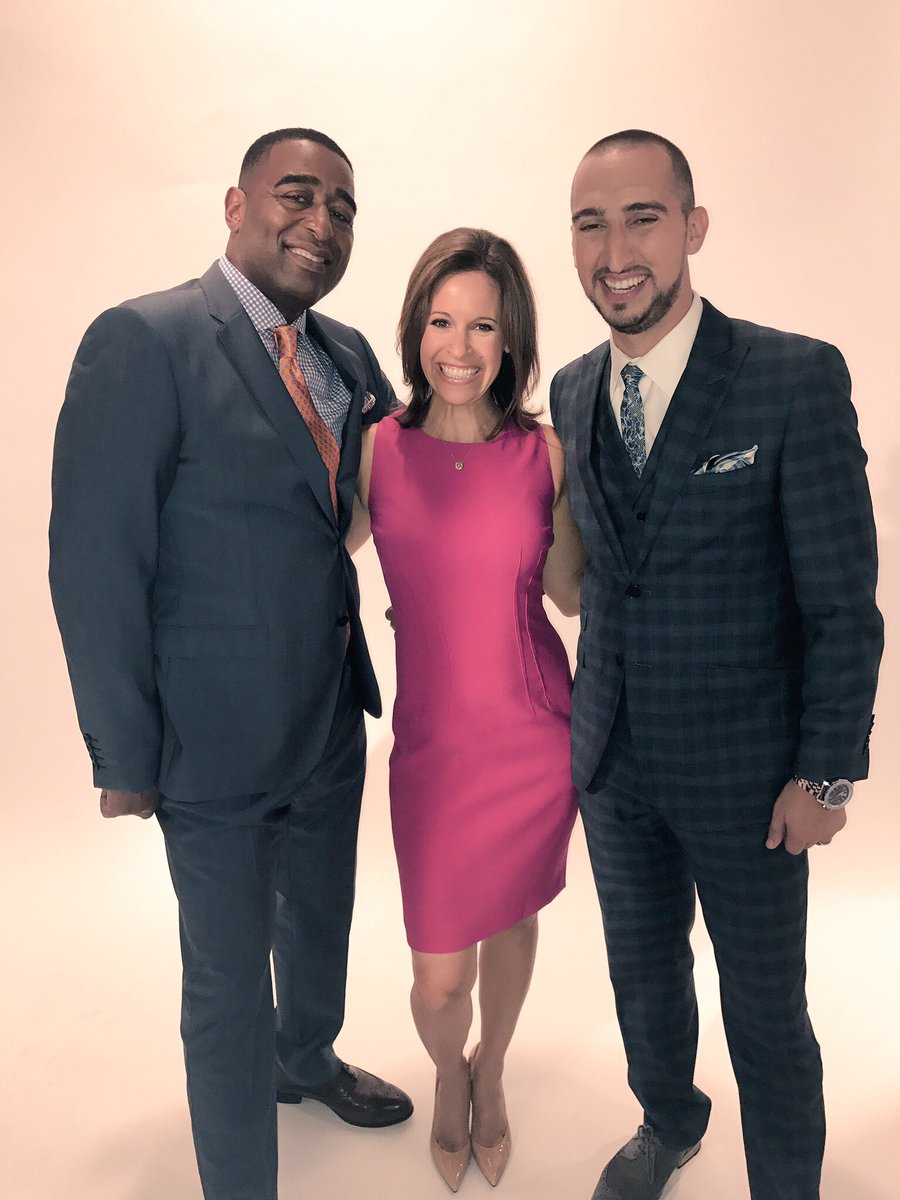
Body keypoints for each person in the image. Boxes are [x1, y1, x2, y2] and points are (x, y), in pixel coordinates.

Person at [49, 127, 413, 1200]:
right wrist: (125, 754)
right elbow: (94, 561)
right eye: (297, 195)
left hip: (330, 716)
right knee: (225, 985)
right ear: (235, 204)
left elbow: (386, 475)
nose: (321, 222)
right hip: (208, 741)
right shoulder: (145, 339)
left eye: (342, 207)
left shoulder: (345, 351)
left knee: (322, 922)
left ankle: (306, 1060)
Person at [550, 130, 883, 1200]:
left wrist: (825, 774)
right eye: (591, 225)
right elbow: (590, 570)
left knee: (766, 1007)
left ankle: (786, 1183)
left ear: (692, 228)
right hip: (612, 760)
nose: (615, 252)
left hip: (752, 774)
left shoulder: (792, 377)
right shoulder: (570, 389)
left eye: (642, 219)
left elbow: (843, 605)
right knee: (643, 978)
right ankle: (670, 1120)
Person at [347, 227, 584, 1191]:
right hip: (435, 751)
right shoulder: (378, 449)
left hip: (534, 737)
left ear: (511, 337)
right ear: (414, 329)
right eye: (442, 321)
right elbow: (306, 557)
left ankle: (494, 1068)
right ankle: (451, 1068)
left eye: (483, 326)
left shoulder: (545, 454)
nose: (460, 346)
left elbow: (574, 594)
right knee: (440, 976)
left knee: (514, 920)